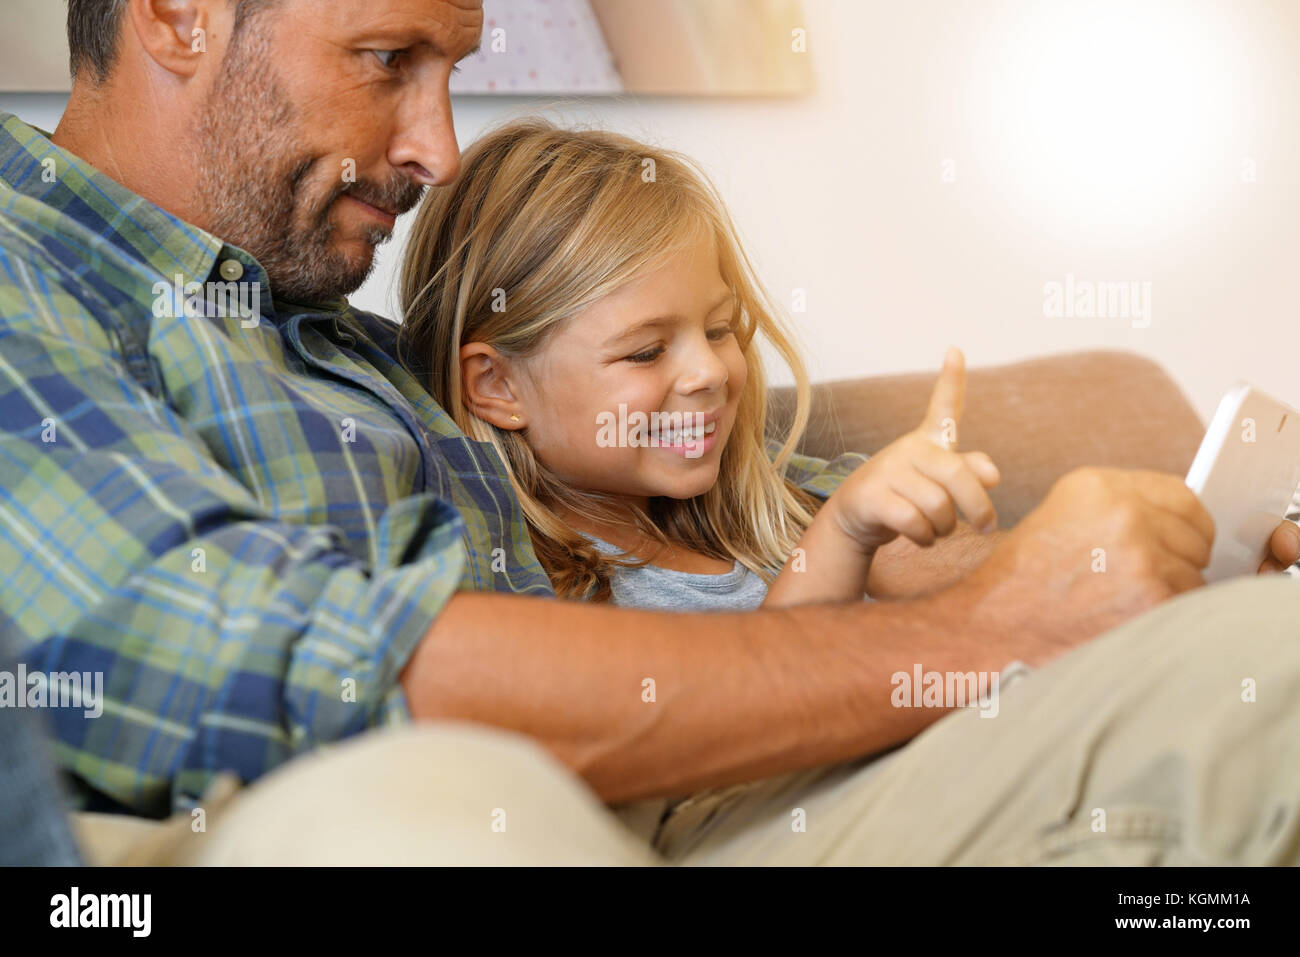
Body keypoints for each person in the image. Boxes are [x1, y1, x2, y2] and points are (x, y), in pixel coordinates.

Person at [1, 0, 1297, 864]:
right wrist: (984, 633)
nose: (439, 148)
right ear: (177, 13)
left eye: (450, 73)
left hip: (667, 811)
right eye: (389, 58)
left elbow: (756, 511)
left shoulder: (330, 332)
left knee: (1264, 655)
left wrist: (1143, 563)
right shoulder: (32, 273)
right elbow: (284, 670)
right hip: (409, 818)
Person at [397, 120, 1002, 611]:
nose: (710, 372)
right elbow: (766, 726)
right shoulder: (537, 597)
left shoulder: (783, 509)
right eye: (645, 352)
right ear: (496, 384)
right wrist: (844, 537)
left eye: (719, 330)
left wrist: (929, 521)